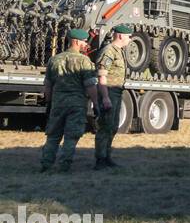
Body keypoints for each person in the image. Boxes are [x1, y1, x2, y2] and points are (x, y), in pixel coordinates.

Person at [40, 27, 99, 172]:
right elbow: (90, 86)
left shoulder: (54, 60)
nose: (86, 44)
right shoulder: (84, 61)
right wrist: (96, 103)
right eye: (84, 41)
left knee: (53, 135)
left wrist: (49, 102)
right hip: (76, 104)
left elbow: (48, 86)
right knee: (71, 137)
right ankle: (64, 165)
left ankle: (46, 164)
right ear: (76, 42)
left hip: (58, 103)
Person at [94, 23, 133, 170]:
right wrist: (105, 97)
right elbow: (102, 75)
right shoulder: (109, 51)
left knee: (113, 126)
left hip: (116, 92)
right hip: (108, 92)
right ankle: (100, 159)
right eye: (129, 37)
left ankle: (107, 156)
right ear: (121, 35)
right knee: (105, 126)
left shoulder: (118, 51)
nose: (130, 40)